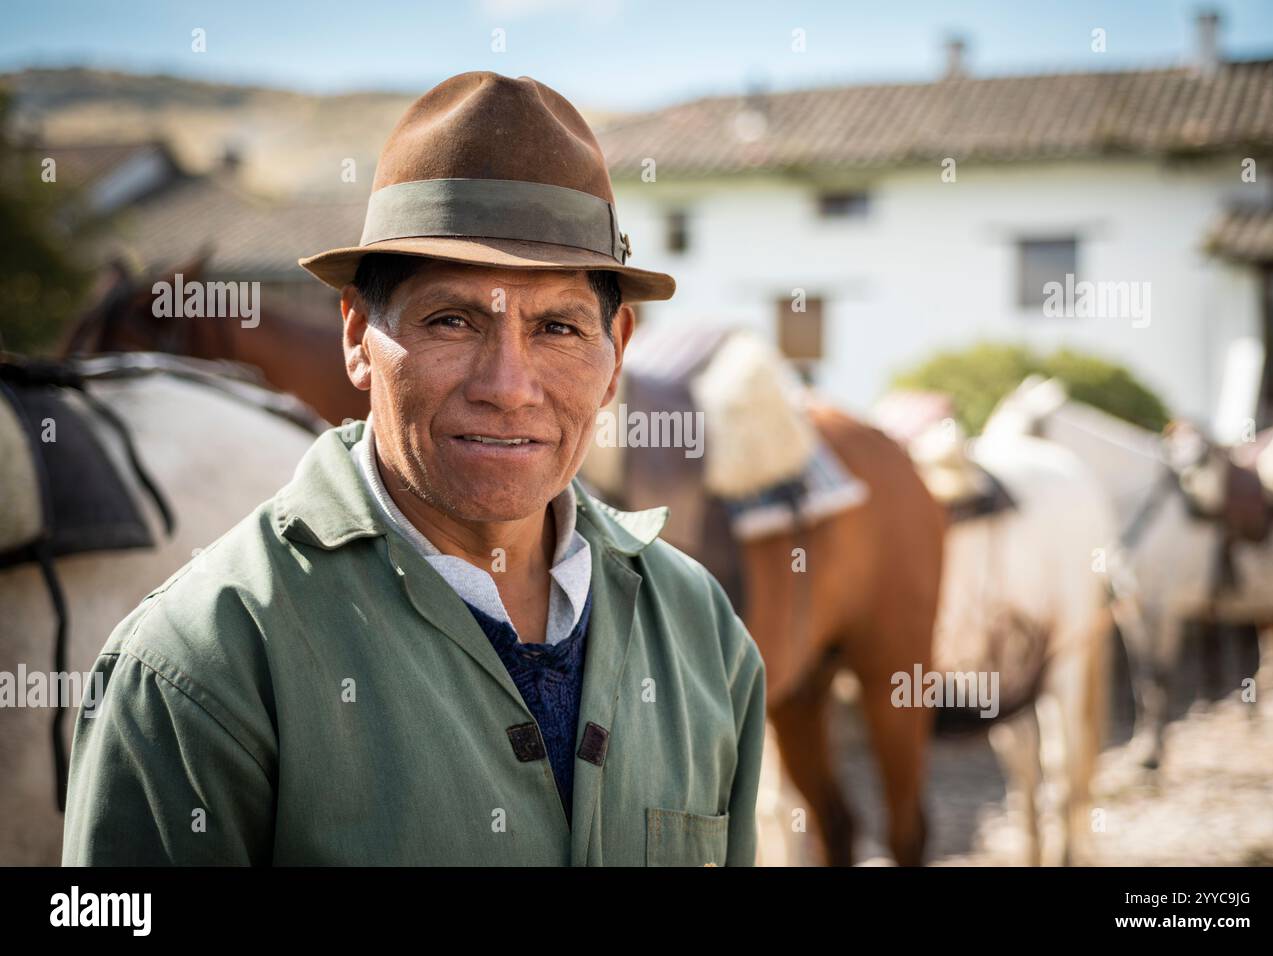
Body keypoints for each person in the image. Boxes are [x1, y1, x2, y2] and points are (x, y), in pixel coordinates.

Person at [61, 71, 766, 866]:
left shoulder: (701, 628)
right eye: (452, 320)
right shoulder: (200, 665)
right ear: (359, 337)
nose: (506, 387)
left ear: (617, 356)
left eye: (559, 327)